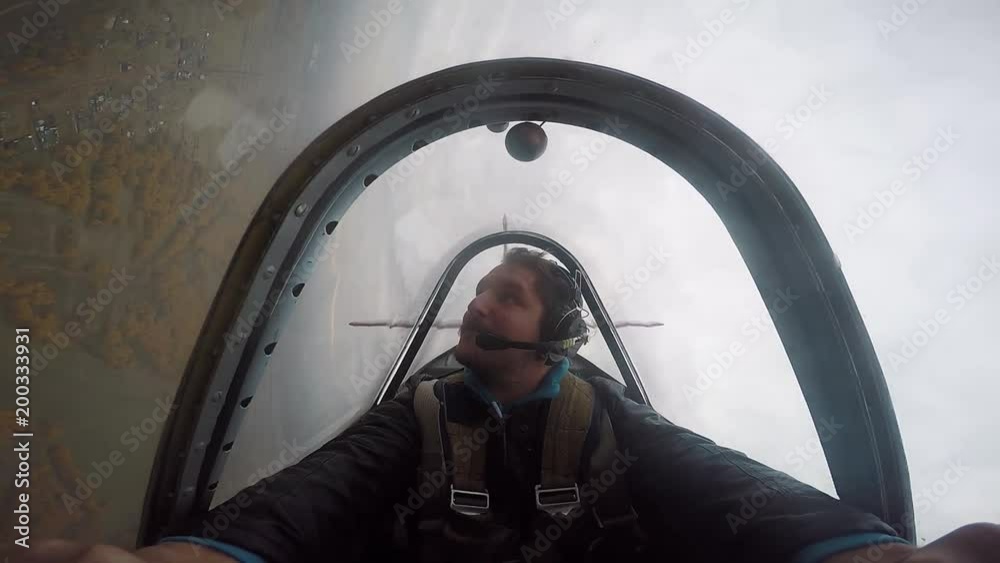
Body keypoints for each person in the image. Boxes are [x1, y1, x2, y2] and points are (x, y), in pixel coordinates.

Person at [30, 248, 1000, 563]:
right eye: (481, 285)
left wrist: (867, 552)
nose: (480, 302)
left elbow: (720, 483)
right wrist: (197, 556)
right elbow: (313, 494)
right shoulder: (415, 412)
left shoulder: (613, 419)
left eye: (507, 295)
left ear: (552, 333)